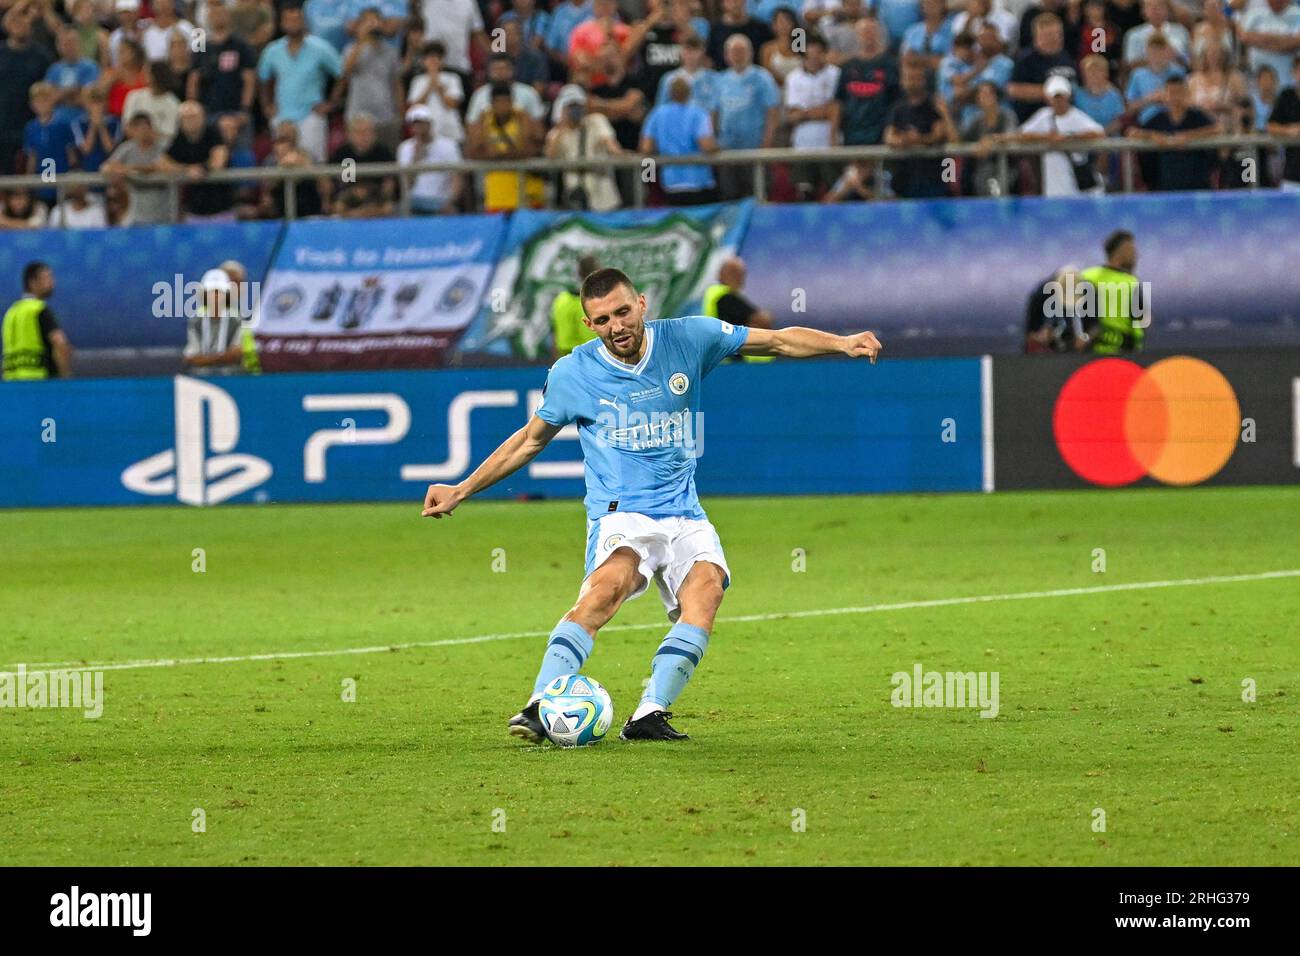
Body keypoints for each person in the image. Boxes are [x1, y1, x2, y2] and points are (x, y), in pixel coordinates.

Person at [419, 267, 882, 743]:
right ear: (589, 325)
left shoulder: (691, 338)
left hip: (684, 511)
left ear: (642, 304)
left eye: (622, 312)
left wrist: (842, 344)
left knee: (707, 591)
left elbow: (779, 341)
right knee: (609, 586)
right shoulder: (572, 373)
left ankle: (647, 714)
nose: (616, 326)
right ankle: (540, 704)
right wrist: (461, 489)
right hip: (621, 513)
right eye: (601, 320)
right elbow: (527, 443)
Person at [257, 5, 343, 162]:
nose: (292, 23)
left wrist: (331, 103)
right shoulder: (272, 51)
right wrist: (266, 105)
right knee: (282, 162)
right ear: (281, 23)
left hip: (311, 114)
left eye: (297, 19)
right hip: (282, 115)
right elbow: (263, 79)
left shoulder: (321, 48)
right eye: (288, 20)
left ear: (304, 22)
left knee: (314, 162)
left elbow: (341, 74)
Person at [1012, 74, 1104, 196]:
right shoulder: (1044, 116)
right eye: (1055, 97)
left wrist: (1068, 137)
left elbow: (1098, 133)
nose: (1059, 101)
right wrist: (1046, 138)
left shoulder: (1076, 116)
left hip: (1077, 180)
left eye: (1062, 97)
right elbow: (1022, 134)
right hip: (1054, 182)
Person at [639, 74, 721, 205]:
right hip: (699, 182)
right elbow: (707, 146)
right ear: (690, 91)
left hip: (670, 183)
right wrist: (719, 147)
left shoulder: (656, 114)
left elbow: (646, 148)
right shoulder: (699, 114)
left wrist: (649, 181)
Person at [1129, 74, 1217, 190]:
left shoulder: (1196, 115)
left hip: (1197, 183)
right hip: (1166, 184)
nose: (1175, 97)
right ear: (1165, 95)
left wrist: (1189, 136)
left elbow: (1217, 128)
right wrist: (1152, 136)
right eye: (1171, 93)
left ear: (1186, 93)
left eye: (1179, 92)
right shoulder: (1159, 117)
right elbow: (1132, 132)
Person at [545, 85, 624, 212]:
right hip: (575, 195)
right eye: (571, 106)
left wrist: (619, 153)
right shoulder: (555, 134)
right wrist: (562, 125)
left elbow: (610, 144)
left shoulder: (597, 121)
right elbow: (550, 156)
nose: (575, 109)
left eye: (578, 105)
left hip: (602, 193)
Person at [3, 262, 72, 381]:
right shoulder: (39, 310)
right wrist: (66, 378)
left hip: (11, 383)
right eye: (47, 277)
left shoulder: (11, 313)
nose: (52, 282)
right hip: (40, 383)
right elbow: (59, 344)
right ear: (32, 282)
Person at [1079, 230, 1145, 354]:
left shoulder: (1086, 275)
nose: (1136, 255)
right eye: (1133, 250)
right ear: (1122, 250)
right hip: (1124, 353)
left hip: (1091, 354)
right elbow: (1142, 319)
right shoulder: (1130, 282)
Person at [183, 265, 257, 374]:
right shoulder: (196, 321)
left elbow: (236, 355)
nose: (215, 297)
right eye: (211, 292)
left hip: (238, 376)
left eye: (219, 292)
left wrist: (204, 359)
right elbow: (190, 358)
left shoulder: (238, 319)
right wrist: (223, 357)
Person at [702, 256, 775, 363]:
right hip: (734, 365)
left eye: (741, 274)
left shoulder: (713, 294)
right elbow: (762, 319)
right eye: (736, 273)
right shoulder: (724, 297)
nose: (740, 278)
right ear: (722, 275)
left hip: (721, 361)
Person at [396, 104, 464, 214]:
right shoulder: (405, 148)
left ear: (430, 124)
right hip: (415, 202)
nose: (418, 128)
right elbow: (406, 184)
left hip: (441, 201)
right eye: (415, 124)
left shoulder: (448, 145)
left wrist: (451, 202)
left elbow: (457, 179)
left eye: (422, 123)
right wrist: (416, 156)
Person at [550, 253, 601, 358]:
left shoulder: (561, 299)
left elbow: (554, 336)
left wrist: (555, 364)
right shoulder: (596, 302)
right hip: (589, 358)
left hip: (565, 357)